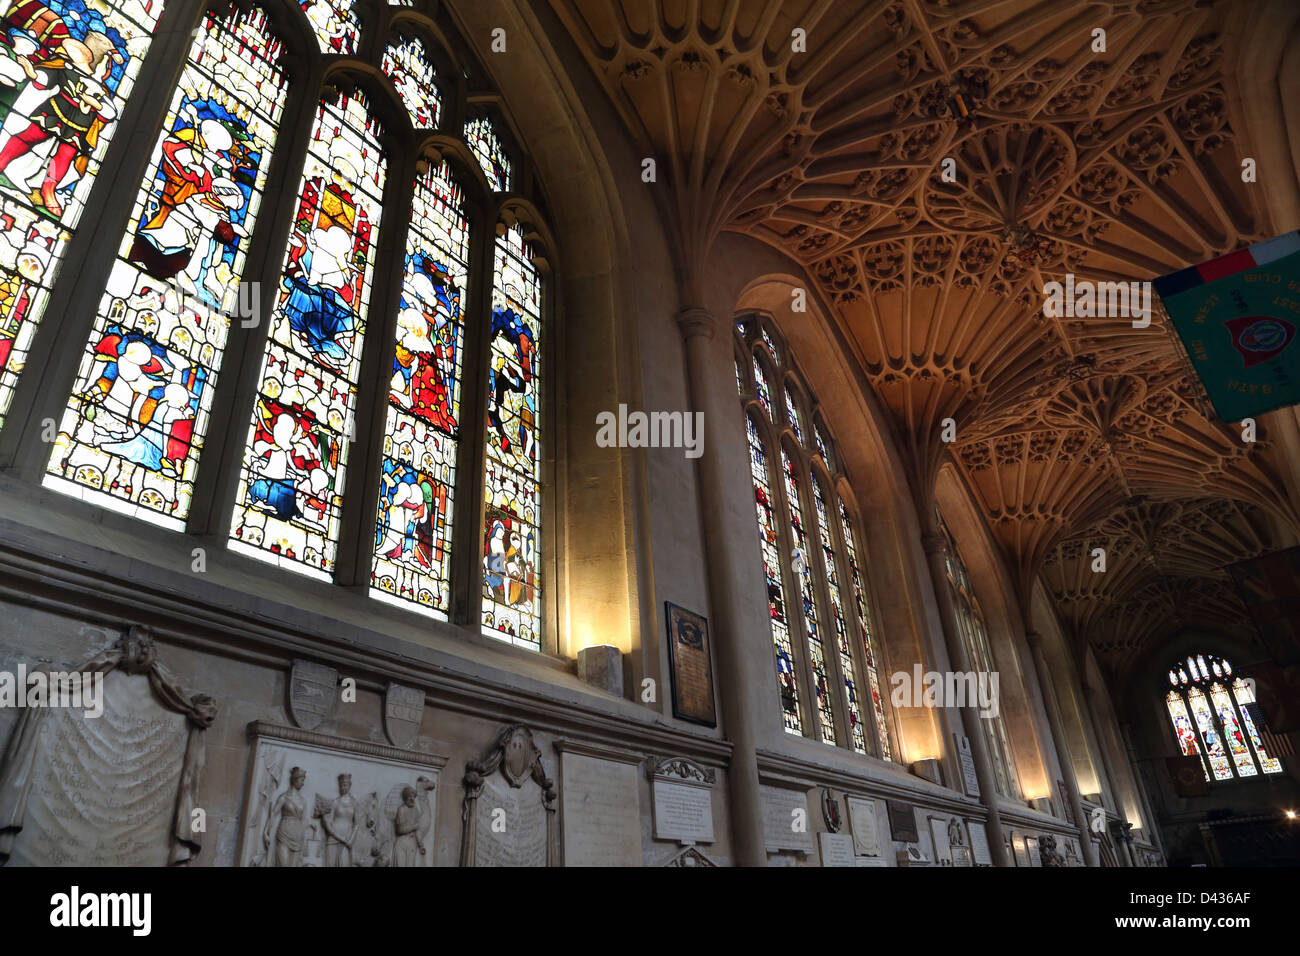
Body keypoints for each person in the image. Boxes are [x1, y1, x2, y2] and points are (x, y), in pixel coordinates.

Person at [263, 766, 307, 867]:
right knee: (283, 864)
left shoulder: (303, 800)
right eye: (301, 780)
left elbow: (304, 820)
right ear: (294, 780)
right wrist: (266, 832)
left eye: (303, 780)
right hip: (284, 833)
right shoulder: (284, 797)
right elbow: (273, 814)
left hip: (298, 835)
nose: (303, 783)